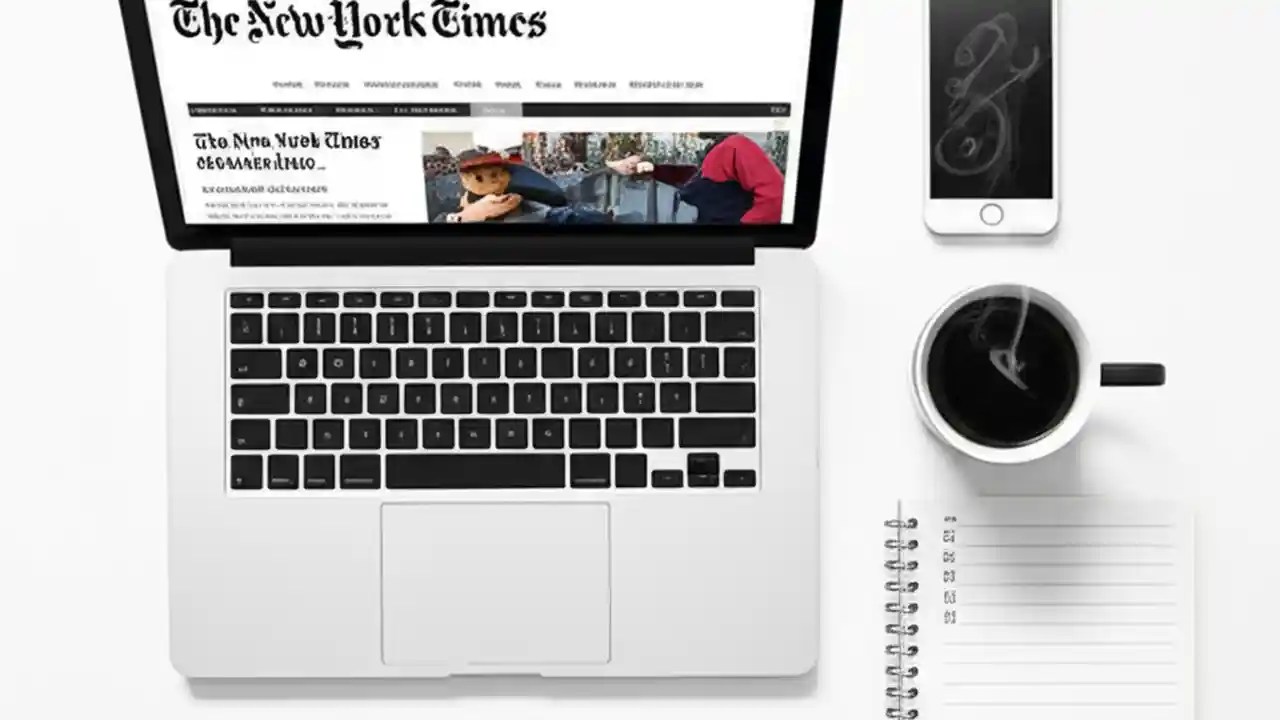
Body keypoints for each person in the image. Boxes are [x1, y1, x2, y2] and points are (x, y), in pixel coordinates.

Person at [607, 133, 785, 224]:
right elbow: (695, 178)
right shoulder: (717, 152)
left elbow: (776, 196)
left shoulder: (736, 146)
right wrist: (652, 169)